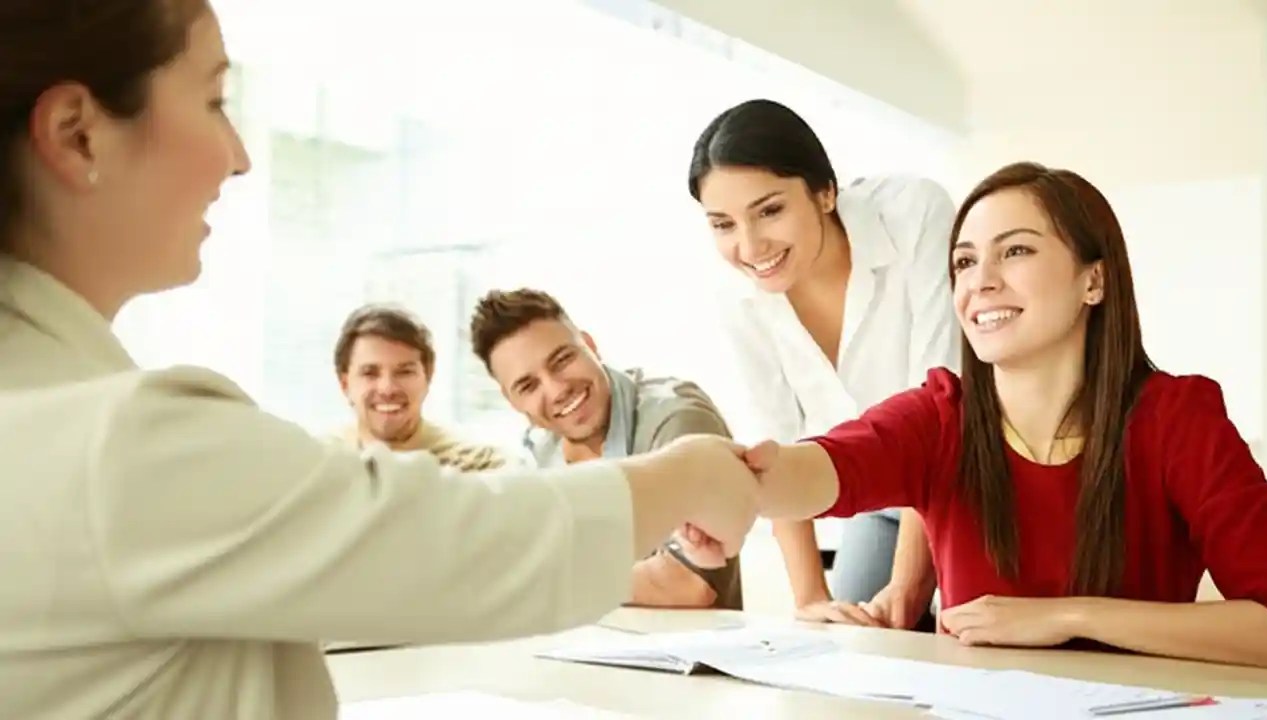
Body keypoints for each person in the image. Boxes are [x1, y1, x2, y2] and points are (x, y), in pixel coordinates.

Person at [0, 3, 759, 718]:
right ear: (78, 135)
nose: (236, 159)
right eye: (213, 101)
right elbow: (469, 545)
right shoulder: (119, 442)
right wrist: (692, 475)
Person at [726, 161, 1267, 667]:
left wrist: (1068, 617)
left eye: (1015, 251)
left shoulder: (1178, 420)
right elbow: (802, 471)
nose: (981, 281)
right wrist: (705, 483)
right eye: (965, 261)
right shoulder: (939, 417)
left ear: (1094, 280)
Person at [688, 98, 960, 628]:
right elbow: (776, 449)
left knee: (958, 642)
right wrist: (810, 598)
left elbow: (943, 408)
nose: (750, 246)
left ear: (826, 192)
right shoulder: (740, 299)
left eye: (770, 211)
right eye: (723, 224)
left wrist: (906, 589)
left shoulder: (913, 214)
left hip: (965, 485)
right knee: (852, 650)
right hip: (876, 500)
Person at [470, 288, 743, 609]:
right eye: (528, 386)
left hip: (685, 654)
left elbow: (688, 583)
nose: (557, 389)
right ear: (513, 401)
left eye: (562, 360)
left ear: (590, 345)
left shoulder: (676, 420)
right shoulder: (539, 451)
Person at [333, 302, 508, 470]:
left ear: (428, 376)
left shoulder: (479, 465)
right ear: (345, 384)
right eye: (370, 373)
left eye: (404, 372)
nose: (387, 389)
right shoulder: (319, 467)